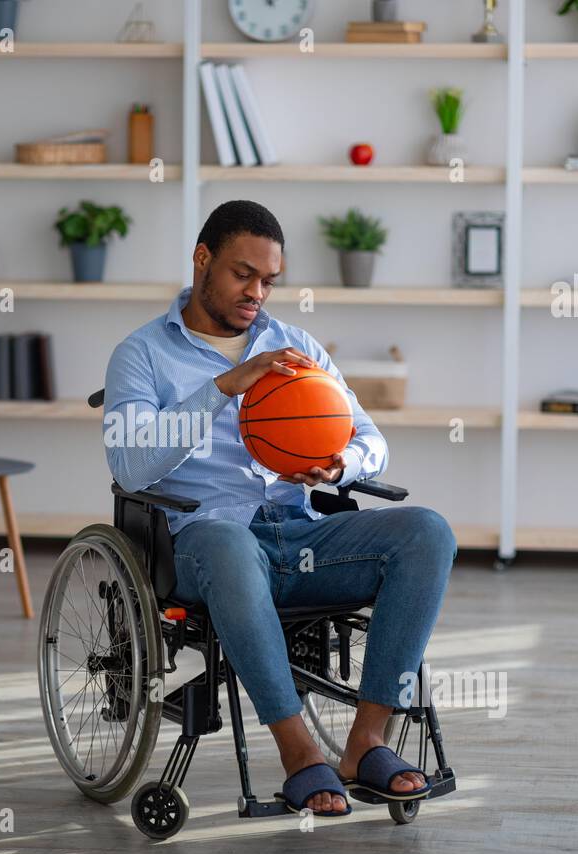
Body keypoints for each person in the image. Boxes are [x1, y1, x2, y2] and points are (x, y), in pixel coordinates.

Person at [103, 200, 457, 816]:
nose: (257, 293)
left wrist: (338, 465)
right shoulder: (142, 355)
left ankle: (365, 744)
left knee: (427, 532)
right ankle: (299, 755)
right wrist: (221, 389)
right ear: (202, 259)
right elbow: (130, 468)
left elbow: (371, 439)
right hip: (201, 544)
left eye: (269, 280)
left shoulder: (295, 346)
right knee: (229, 542)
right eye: (244, 274)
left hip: (299, 535)